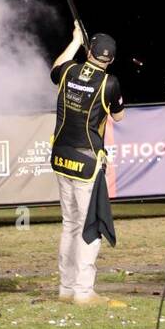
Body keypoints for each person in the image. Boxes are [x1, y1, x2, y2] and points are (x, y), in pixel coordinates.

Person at [50, 23, 124, 304]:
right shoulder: (110, 83)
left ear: (88, 51)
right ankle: (83, 291)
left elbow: (56, 68)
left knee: (69, 224)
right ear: (111, 59)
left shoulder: (69, 70)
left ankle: (66, 288)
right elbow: (118, 117)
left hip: (60, 157)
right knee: (88, 225)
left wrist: (73, 41)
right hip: (87, 161)